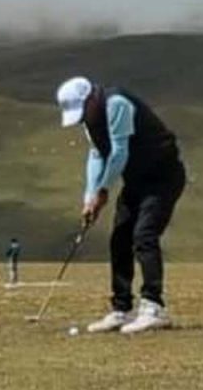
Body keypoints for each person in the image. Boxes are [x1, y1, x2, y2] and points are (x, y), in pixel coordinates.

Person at [57, 76, 186, 335]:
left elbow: (119, 152)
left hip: (162, 177)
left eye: (82, 112)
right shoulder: (89, 120)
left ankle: (153, 308)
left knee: (144, 236)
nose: (83, 119)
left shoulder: (117, 105)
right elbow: (97, 154)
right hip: (136, 180)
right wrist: (89, 196)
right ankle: (121, 308)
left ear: (92, 98)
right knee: (119, 238)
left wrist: (103, 191)